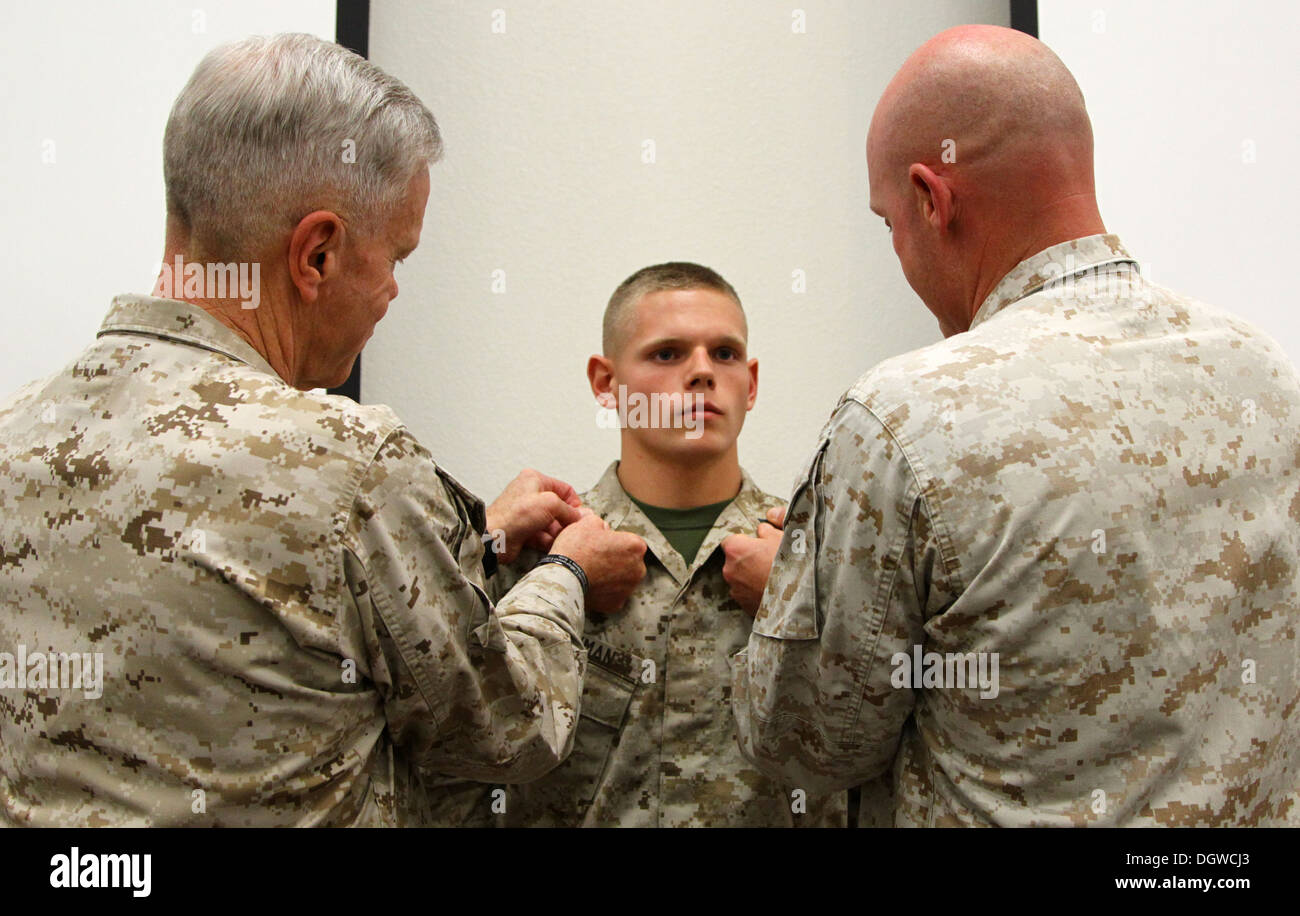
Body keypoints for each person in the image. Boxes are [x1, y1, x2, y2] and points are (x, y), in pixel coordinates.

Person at [0, 33, 646, 827]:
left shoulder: (15, 432)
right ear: (317, 253)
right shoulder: (352, 466)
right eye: (397, 258)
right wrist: (566, 577)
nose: (393, 293)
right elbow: (504, 731)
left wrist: (474, 537)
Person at [723, 24, 1300, 826]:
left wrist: (791, 599)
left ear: (933, 198)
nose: (899, 249)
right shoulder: (1266, 374)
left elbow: (810, 742)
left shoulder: (902, 419)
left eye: (889, 223)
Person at [498, 263, 844, 826]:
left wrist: (802, 603)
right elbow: (458, 744)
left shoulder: (817, 556)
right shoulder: (542, 552)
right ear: (606, 383)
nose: (703, 372)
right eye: (667, 354)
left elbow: (881, 730)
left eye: (725, 354)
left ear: (751, 384)